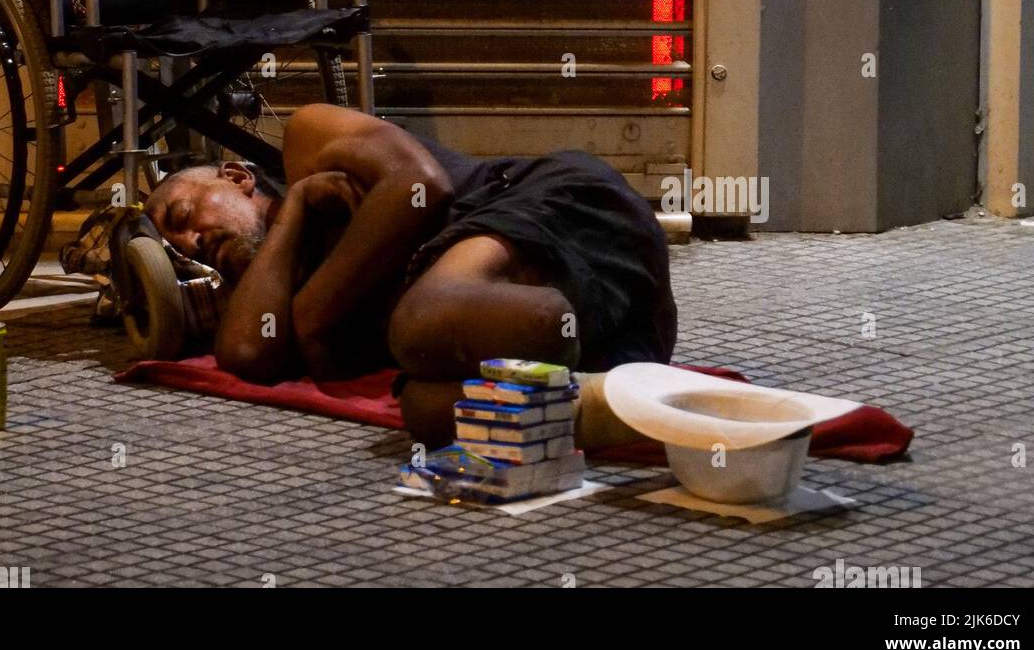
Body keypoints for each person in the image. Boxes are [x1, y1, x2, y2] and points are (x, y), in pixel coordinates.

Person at [146, 104, 676, 447]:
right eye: (182, 249)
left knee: (418, 324)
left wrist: (311, 319)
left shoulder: (309, 140)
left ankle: (556, 341)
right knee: (425, 411)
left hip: (558, 211)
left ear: (237, 176)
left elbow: (421, 185)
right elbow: (246, 357)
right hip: (611, 318)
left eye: (183, 217)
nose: (193, 241)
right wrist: (296, 212)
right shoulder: (277, 270)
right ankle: (605, 395)